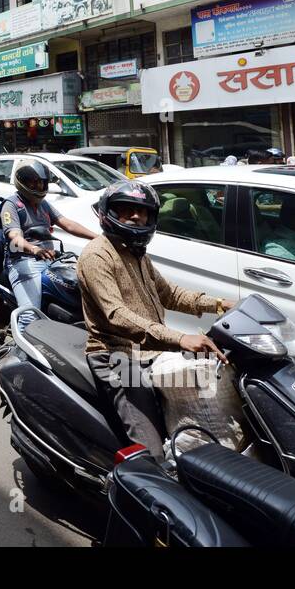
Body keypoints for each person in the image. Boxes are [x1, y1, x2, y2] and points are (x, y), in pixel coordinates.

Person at [77, 180, 233, 461]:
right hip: (117, 357)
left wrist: (219, 304)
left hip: (152, 353)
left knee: (208, 392)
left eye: (142, 211)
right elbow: (116, 316)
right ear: (108, 213)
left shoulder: (136, 254)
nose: (136, 216)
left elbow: (169, 294)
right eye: (126, 210)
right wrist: (180, 338)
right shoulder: (97, 255)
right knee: (153, 452)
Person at [0, 160, 96, 318]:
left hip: (50, 258)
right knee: (30, 316)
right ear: (22, 182)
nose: (39, 187)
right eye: (34, 183)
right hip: (24, 262)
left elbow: (68, 224)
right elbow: (14, 237)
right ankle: (21, 340)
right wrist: (34, 249)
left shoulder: (43, 204)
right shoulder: (12, 205)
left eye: (42, 183)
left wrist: (99, 238)